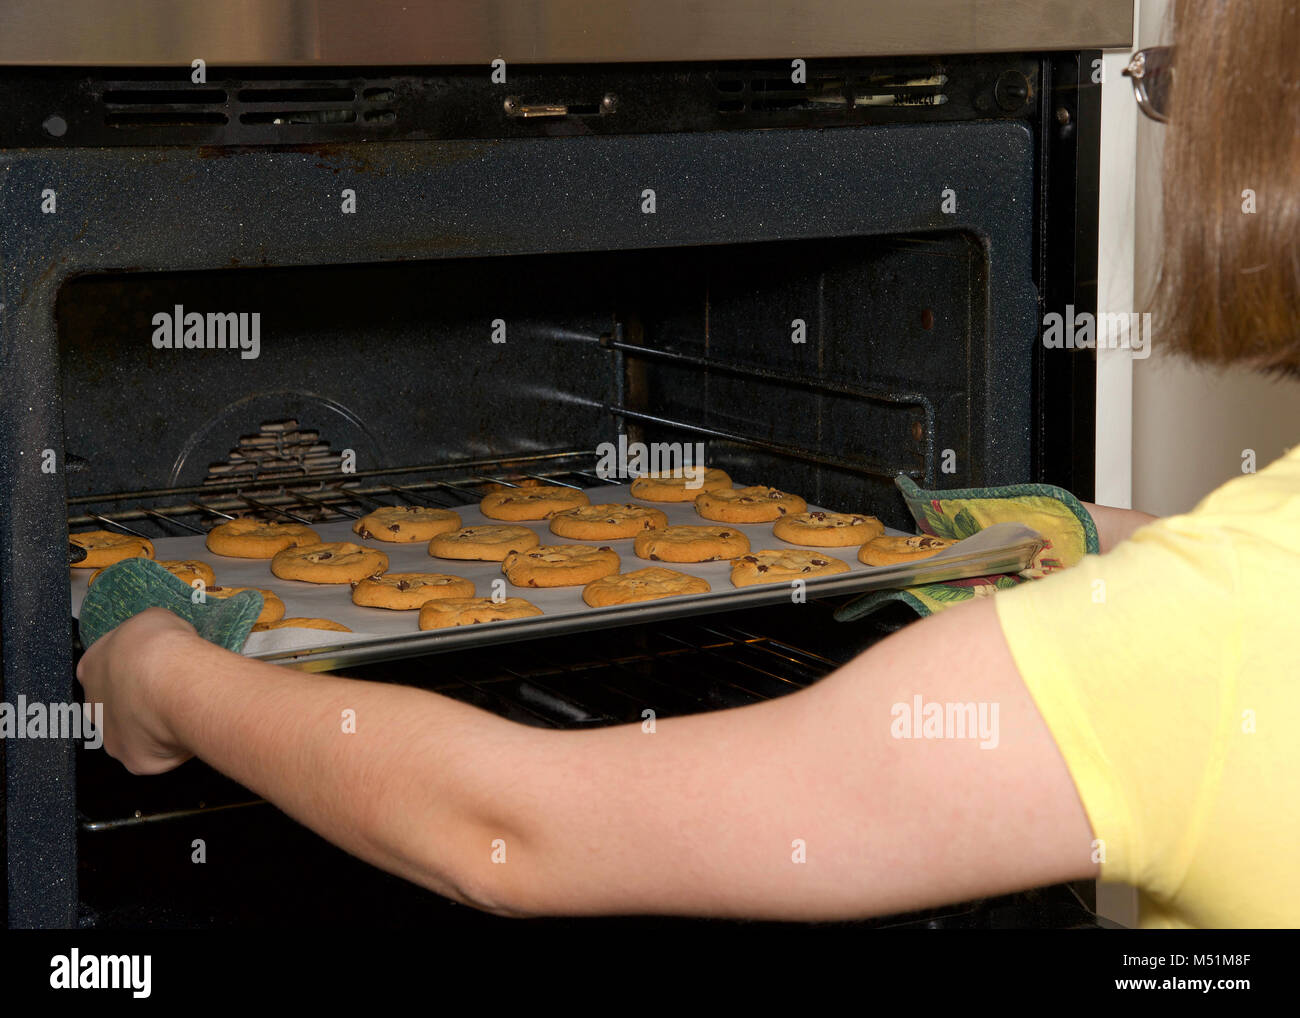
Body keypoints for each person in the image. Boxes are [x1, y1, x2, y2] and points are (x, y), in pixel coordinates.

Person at [77, 0, 1298, 928]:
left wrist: (164, 674)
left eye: (1177, 91)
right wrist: (1097, 534)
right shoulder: (1226, 599)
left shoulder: (1200, 637)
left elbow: (511, 831)